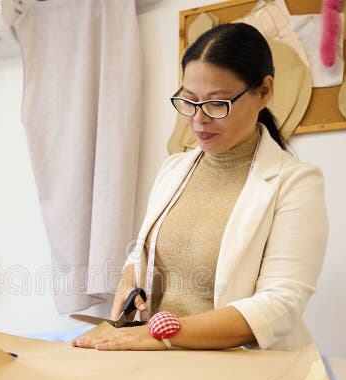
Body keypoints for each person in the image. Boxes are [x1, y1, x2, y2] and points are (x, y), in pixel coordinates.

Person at [73, 23, 328, 352]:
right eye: (189, 101)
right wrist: (129, 283)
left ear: (263, 91)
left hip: (239, 369)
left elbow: (279, 306)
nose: (198, 119)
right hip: (164, 362)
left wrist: (160, 335)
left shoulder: (295, 184)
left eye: (217, 104)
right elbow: (143, 253)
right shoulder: (174, 169)